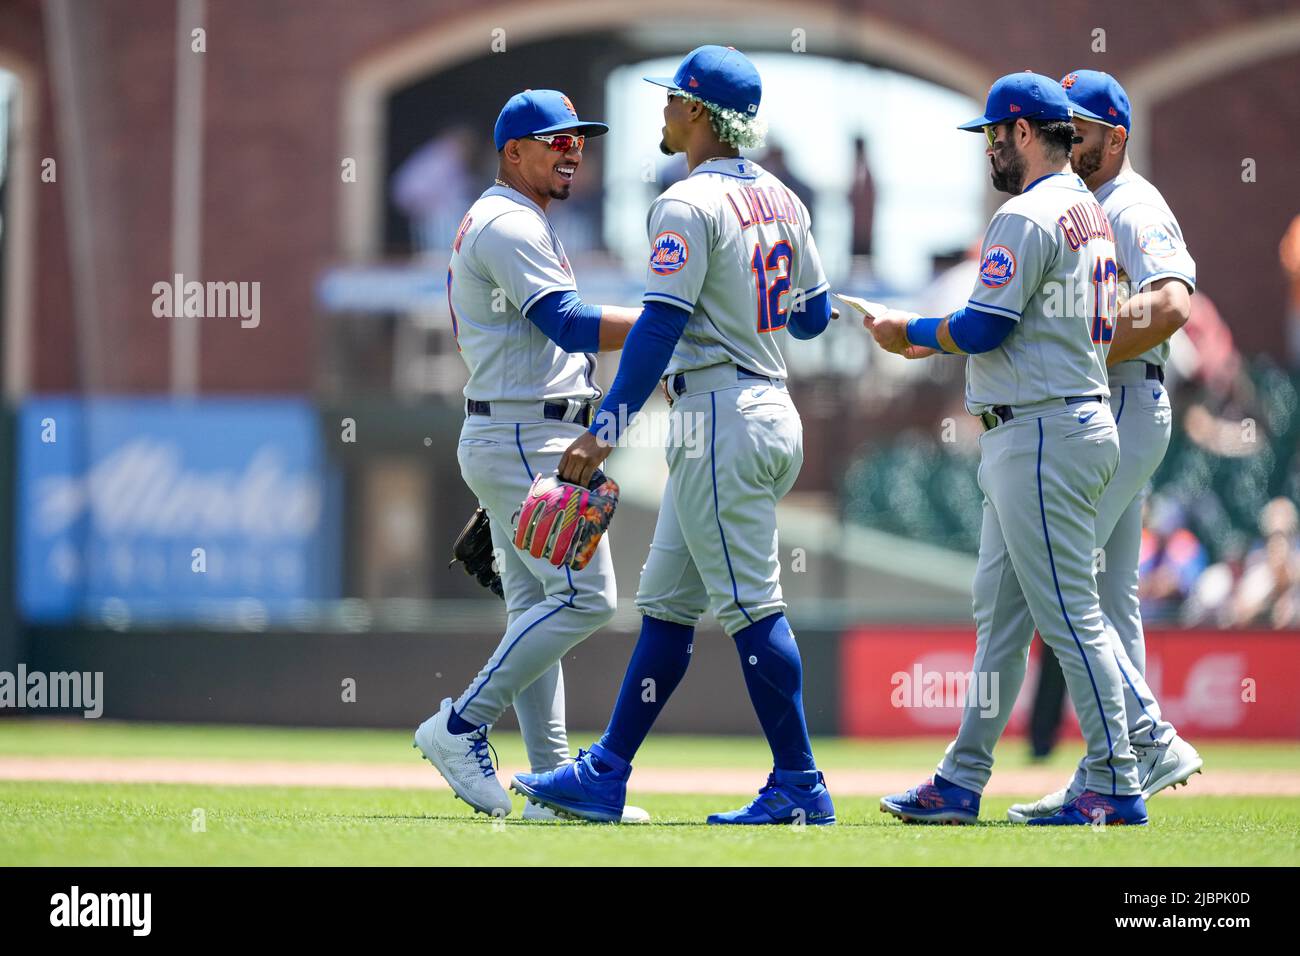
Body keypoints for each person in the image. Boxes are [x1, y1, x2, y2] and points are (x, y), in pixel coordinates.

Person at [510, 46, 839, 825]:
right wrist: (759, 292)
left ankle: (800, 782)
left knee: (754, 608)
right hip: (760, 405)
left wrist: (605, 431)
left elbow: (660, 326)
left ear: (697, 112)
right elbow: (815, 317)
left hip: (723, 416)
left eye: (669, 100)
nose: (660, 111)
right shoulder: (785, 201)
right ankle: (606, 773)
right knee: (666, 608)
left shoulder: (686, 202)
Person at [860, 72, 1147, 825]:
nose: (988, 149)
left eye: (992, 135)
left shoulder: (1029, 213)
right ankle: (961, 779)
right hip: (1049, 422)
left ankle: (1118, 781)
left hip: (1044, 428)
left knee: (1070, 616)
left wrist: (911, 335)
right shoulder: (1087, 209)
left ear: (1022, 131)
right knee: (1002, 618)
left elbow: (986, 327)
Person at [412, 89, 648, 822]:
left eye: (579, 139)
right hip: (523, 435)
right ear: (513, 150)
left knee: (539, 609)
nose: (573, 149)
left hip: (516, 429)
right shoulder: (508, 222)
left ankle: (550, 784)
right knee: (586, 600)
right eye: (557, 140)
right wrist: (663, 326)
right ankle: (459, 726)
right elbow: (570, 324)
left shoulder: (517, 217)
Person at [1008, 71, 1204, 820]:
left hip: (1122, 398)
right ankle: (1106, 768)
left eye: (1080, 130)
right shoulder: (1081, 203)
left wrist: (1077, 344)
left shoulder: (1132, 202)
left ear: (1116, 137)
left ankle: (1145, 742)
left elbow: (1173, 300)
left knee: (1058, 578)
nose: (1068, 139)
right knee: (1109, 599)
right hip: (1114, 401)